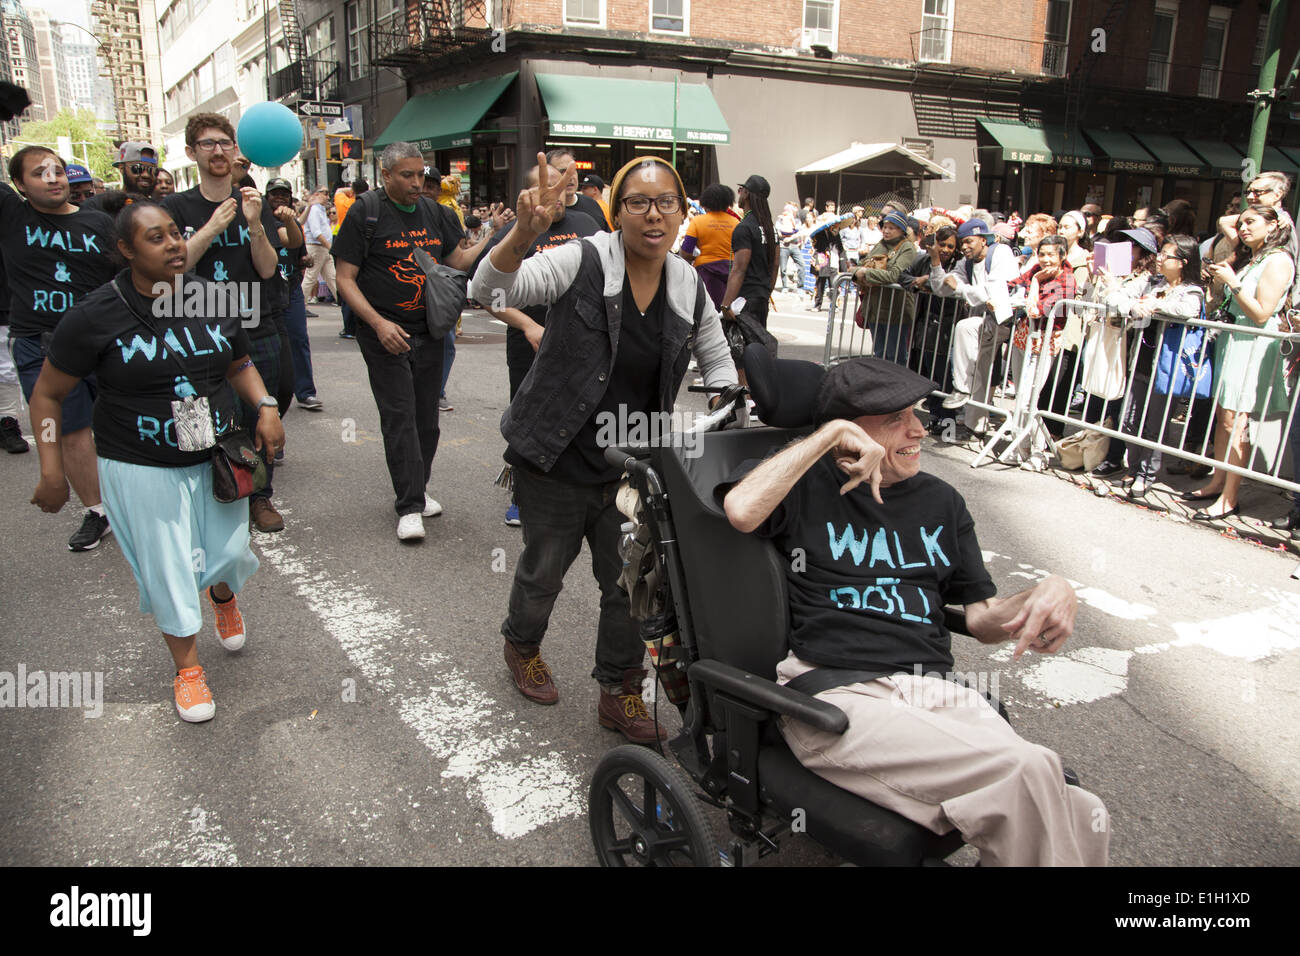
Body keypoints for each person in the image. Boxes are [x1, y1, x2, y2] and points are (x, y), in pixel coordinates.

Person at [719, 356, 1108, 866]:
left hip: (932, 691)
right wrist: (826, 436)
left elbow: (982, 621)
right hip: (836, 696)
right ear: (850, 432)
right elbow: (742, 510)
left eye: (917, 413)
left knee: (1081, 806)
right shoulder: (806, 484)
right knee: (1029, 773)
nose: (919, 429)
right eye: (895, 419)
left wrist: (1044, 591)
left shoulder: (943, 503)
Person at [469, 153, 737, 743]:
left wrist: (738, 405)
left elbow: (717, 358)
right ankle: (522, 644)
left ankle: (619, 690)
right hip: (558, 456)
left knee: (631, 586)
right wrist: (522, 234)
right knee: (544, 574)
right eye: (637, 202)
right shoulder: (583, 258)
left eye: (667, 201)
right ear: (616, 213)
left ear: (682, 213)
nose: (653, 214)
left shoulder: (687, 282)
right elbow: (488, 290)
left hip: (632, 467)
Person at [28, 201, 285, 723]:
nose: (171, 244)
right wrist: (52, 469)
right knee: (168, 568)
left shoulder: (211, 299)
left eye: (175, 233)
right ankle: (187, 669)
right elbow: (47, 396)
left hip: (215, 454)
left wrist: (266, 404)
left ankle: (221, 593)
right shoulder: (93, 315)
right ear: (125, 250)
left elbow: (239, 361)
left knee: (231, 553)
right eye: (154, 237)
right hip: (138, 462)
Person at [332, 141, 499, 540]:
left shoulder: (436, 213)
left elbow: (455, 261)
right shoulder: (365, 212)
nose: (415, 182)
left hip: (430, 330)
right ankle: (408, 505)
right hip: (384, 334)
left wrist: (491, 239)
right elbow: (344, 278)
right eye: (406, 175)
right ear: (386, 175)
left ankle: (418, 490)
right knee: (400, 416)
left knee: (427, 420)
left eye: (420, 174)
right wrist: (376, 323)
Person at [163, 113, 293, 534]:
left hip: (254, 324)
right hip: (193, 329)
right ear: (191, 153)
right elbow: (172, 267)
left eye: (224, 143)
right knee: (196, 417)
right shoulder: (174, 208)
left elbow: (269, 268)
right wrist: (213, 226)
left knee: (261, 412)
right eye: (207, 144)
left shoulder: (253, 201)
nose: (218, 151)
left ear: (235, 150)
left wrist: (255, 224)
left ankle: (260, 495)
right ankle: (203, 495)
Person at [2, 146, 117, 550]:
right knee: (69, 430)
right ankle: (99, 511)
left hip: (103, 341)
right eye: (39, 173)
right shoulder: (12, 215)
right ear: (19, 185)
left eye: (57, 171)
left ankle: (134, 500)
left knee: (119, 423)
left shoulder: (99, 222)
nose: (52, 178)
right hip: (39, 342)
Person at [478, 162, 601, 526]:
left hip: (581, 345)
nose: (556, 197)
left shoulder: (587, 225)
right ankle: (522, 493)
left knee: (577, 414)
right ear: (529, 193)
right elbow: (488, 293)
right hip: (529, 343)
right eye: (546, 189)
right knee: (528, 416)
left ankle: (576, 492)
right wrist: (528, 324)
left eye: (562, 189)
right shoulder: (518, 233)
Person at [1185, 205, 1295, 520]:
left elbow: (1262, 312)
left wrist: (1232, 282)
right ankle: (1218, 482)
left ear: (1273, 225)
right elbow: (1226, 220)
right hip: (1233, 341)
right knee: (1225, 418)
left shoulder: (1278, 260)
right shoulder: (1256, 256)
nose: (1243, 227)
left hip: (1252, 343)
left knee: (1237, 423)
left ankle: (1230, 497)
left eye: (1251, 222)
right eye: (1241, 222)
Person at [1118, 234, 1207, 498]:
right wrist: (1134, 304)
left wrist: (1155, 305)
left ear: (1183, 262)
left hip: (1166, 367)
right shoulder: (1151, 281)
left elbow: (1188, 309)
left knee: (1154, 425)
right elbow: (1117, 296)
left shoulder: (1192, 289)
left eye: (1166, 255)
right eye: (1160, 253)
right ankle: (1132, 468)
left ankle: (1146, 475)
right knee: (1128, 420)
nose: (1160, 259)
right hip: (1140, 361)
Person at [1084, 228, 1162, 481]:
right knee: (1101, 398)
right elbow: (1098, 302)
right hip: (1108, 341)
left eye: (1133, 246)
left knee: (1120, 406)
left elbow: (1124, 304)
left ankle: (1115, 457)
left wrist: (1113, 286)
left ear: (1145, 253)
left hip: (1130, 347)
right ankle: (1094, 450)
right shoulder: (1116, 273)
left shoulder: (1148, 278)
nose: (1126, 249)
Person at [933, 219, 1018, 435]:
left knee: (964, 328)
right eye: (962, 243)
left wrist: (961, 288)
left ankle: (962, 388)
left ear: (983, 239)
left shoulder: (1001, 253)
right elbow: (942, 288)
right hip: (985, 321)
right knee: (980, 368)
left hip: (1009, 320)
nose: (965, 247)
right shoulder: (966, 262)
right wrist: (935, 265)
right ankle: (975, 425)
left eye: (969, 241)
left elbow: (993, 291)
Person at [1005, 235, 1076, 469]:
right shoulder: (1036, 268)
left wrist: (1034, 283)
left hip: (1045, 343)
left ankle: (1039, 452)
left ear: (1062, 255)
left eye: (1050, 254)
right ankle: (1020, 446)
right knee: (1020, 399)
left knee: (1029, 400)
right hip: (1022, 338)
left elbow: (1039, 310)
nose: (1045, 259)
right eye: (1041, 254)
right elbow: (1012, 285)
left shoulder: (1067, 279)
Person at [266, 179, 322, 413]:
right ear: (266, 197)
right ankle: (270, 393)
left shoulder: (294, 224)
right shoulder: (260, 220)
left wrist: (305, 262)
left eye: (284, 194)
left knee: (298, 339)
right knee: (270, 344)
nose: (279, 198)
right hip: (266, 294)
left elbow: (301, 255)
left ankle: (306, 392)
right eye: (274, 194)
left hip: (291, 291)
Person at [721, 174, 779, 357]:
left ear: (746, 194)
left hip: (743, 301)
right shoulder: (770, 228)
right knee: (757, 354)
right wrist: (766, 292)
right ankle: (757, 385)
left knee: (740, 355)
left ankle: (746, 386)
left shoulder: (744, 227)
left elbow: (739, 269)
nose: (739, 194)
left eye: (740, 190)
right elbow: (775, 265)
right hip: (761, 298)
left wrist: (725, 304)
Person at [851, 210, 918, 362]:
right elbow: (861, 264)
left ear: (901, 230)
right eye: (885, 227)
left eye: (891, 228)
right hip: (875, 307)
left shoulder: (907, 248)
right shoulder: (881, 244)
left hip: (895, 310)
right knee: (879, 352)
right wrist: (859, 271)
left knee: (895, 355)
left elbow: (895, 275)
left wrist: (865, 273)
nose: (886, 231)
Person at [678, 182, 735, 308]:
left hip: (705, 273)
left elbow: (686, 252)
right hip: (731, 273)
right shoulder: (736, 223)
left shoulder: (698, 222)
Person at [78, 141, 158, 212]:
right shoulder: (98, 206)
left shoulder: (160, 209)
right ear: (122, 169)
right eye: (137, 168)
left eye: (152, 170)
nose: (146, 175)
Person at [545, 148, 611, 232]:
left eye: (573, 170)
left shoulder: (592, 204)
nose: (570, 177)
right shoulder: (545, 213)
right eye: (563, 171)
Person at [300, 186, 337, 308]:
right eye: (325, 193)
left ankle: (344, 301)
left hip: (323, 248)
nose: (327, 196)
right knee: (311, 277)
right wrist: (329, 246)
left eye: (328, 193)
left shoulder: (320, 210)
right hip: (317, 247)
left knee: (332, 277)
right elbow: (316, 233)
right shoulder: (314, 210)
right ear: (316, 194)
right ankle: (300, 305)